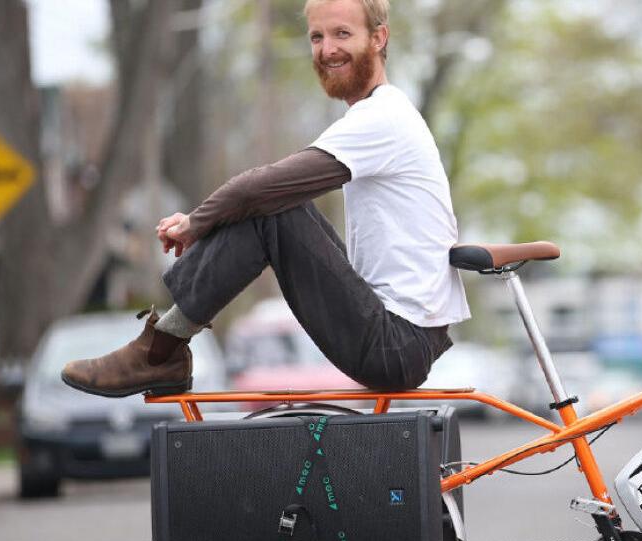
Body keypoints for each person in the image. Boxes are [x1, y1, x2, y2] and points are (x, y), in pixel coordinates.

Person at [62, 0, 469, 397]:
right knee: (275, 205)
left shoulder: (383, 118)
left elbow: (263, 188)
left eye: (342, 34)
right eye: (317, 37)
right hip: (399, 334)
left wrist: (196, 222)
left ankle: (159, 351)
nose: (327, 49)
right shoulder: (383, 114)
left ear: (378, 38)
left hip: (397, 342)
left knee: (272, 210)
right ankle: (161, 349)